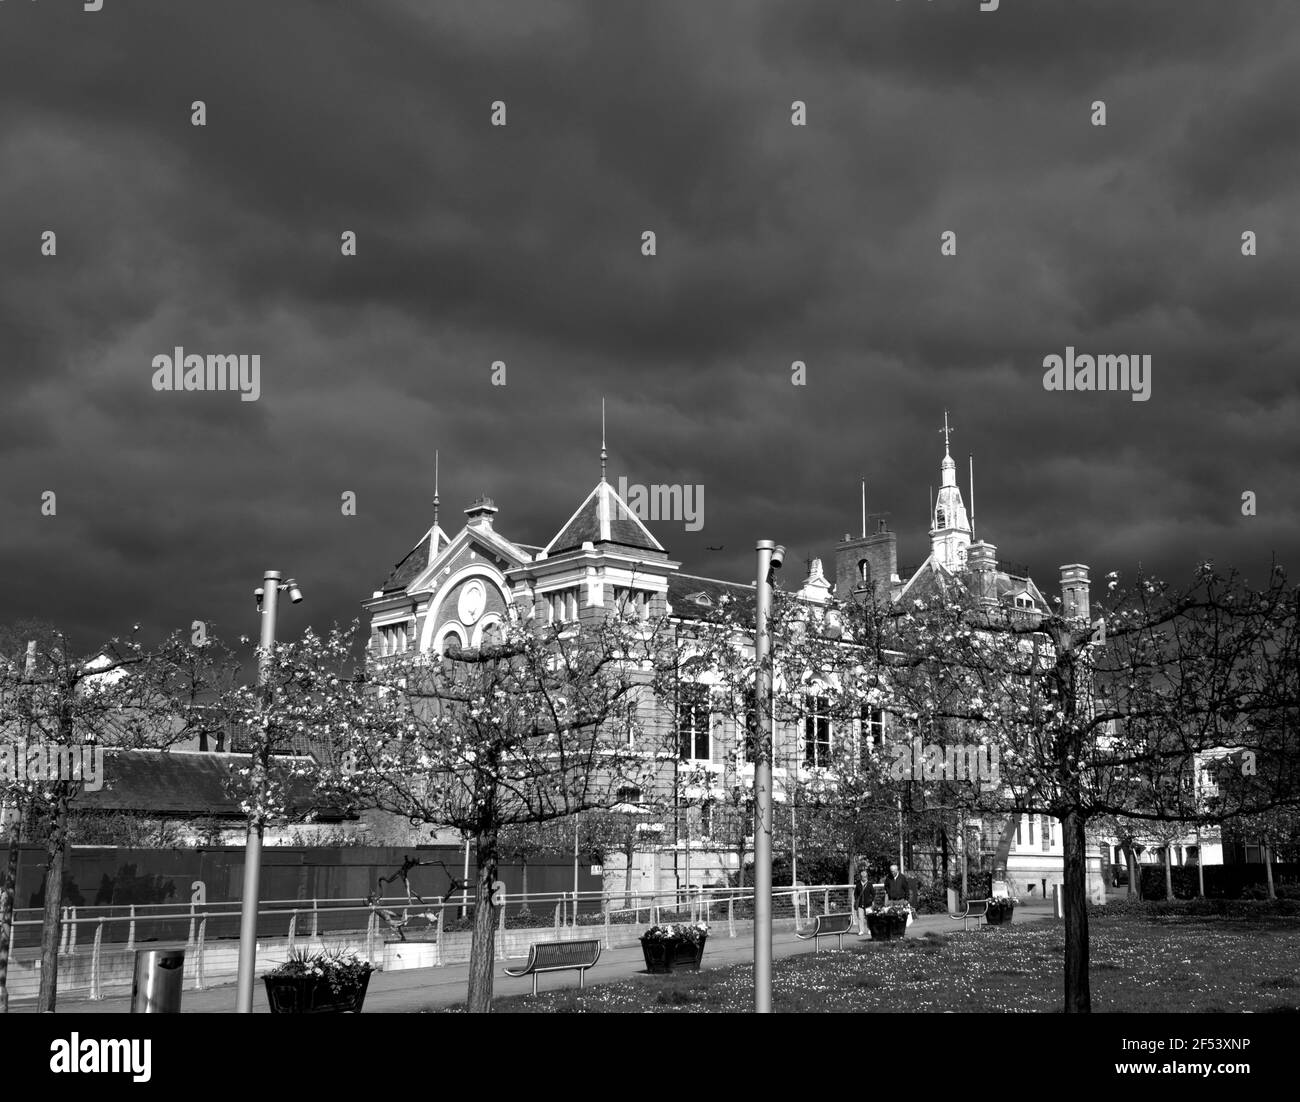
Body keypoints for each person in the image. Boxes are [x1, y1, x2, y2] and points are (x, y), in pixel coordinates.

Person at [852, 867, 873, 935]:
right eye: (863, 876)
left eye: (865, 876)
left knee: (869, 918)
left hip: (868, 904)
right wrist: (856, 899)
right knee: (860, 917)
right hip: (860, 904)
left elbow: (873, 893)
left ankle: (870, 929)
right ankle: (861, 930)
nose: (864, 877)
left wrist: (871, 900)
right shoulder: (858, 885)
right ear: (861, 877)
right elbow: (855, 893)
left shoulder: (869, 884)